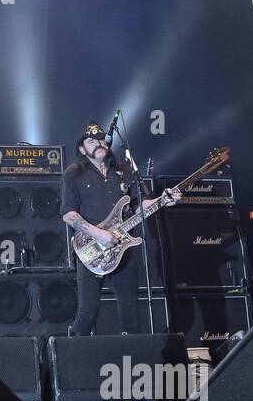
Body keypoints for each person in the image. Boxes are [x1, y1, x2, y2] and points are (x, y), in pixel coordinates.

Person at [61, 122, 178, 335]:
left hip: (122, 250)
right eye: (91, 141)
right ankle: (67, 358)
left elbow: (137, 205)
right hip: (91, 249)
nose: (98, 143)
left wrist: (163, 200)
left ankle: (131, 363)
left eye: (100, 139)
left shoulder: (122, 171)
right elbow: (69, 215)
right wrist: (100, 234)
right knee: (88, 312)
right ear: (82, 149)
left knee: (131, 313)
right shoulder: (74, 174)